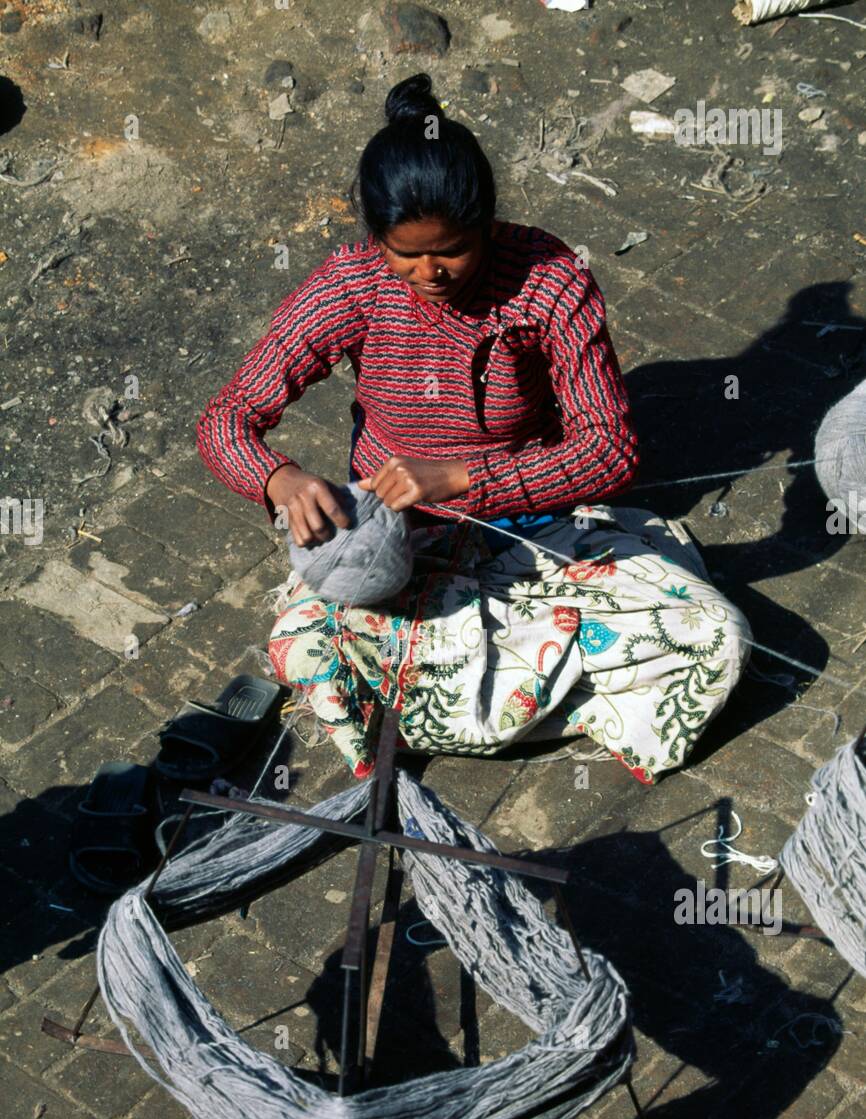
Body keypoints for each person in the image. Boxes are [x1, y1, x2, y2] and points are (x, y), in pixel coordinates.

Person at [197, 73, 751, 783]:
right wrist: (282, 479)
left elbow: (610, 451)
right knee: (306, 646)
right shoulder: (349, 284)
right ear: (377, 239)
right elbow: (226, 419)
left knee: (716, 637)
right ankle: (536, 690)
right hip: (401, 542)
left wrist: (465, 477)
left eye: (452, 249)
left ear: (488, 223)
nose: (430, 272)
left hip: (538, 526)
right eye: (406, 254)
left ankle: (456, 698)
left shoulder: (549, 279)